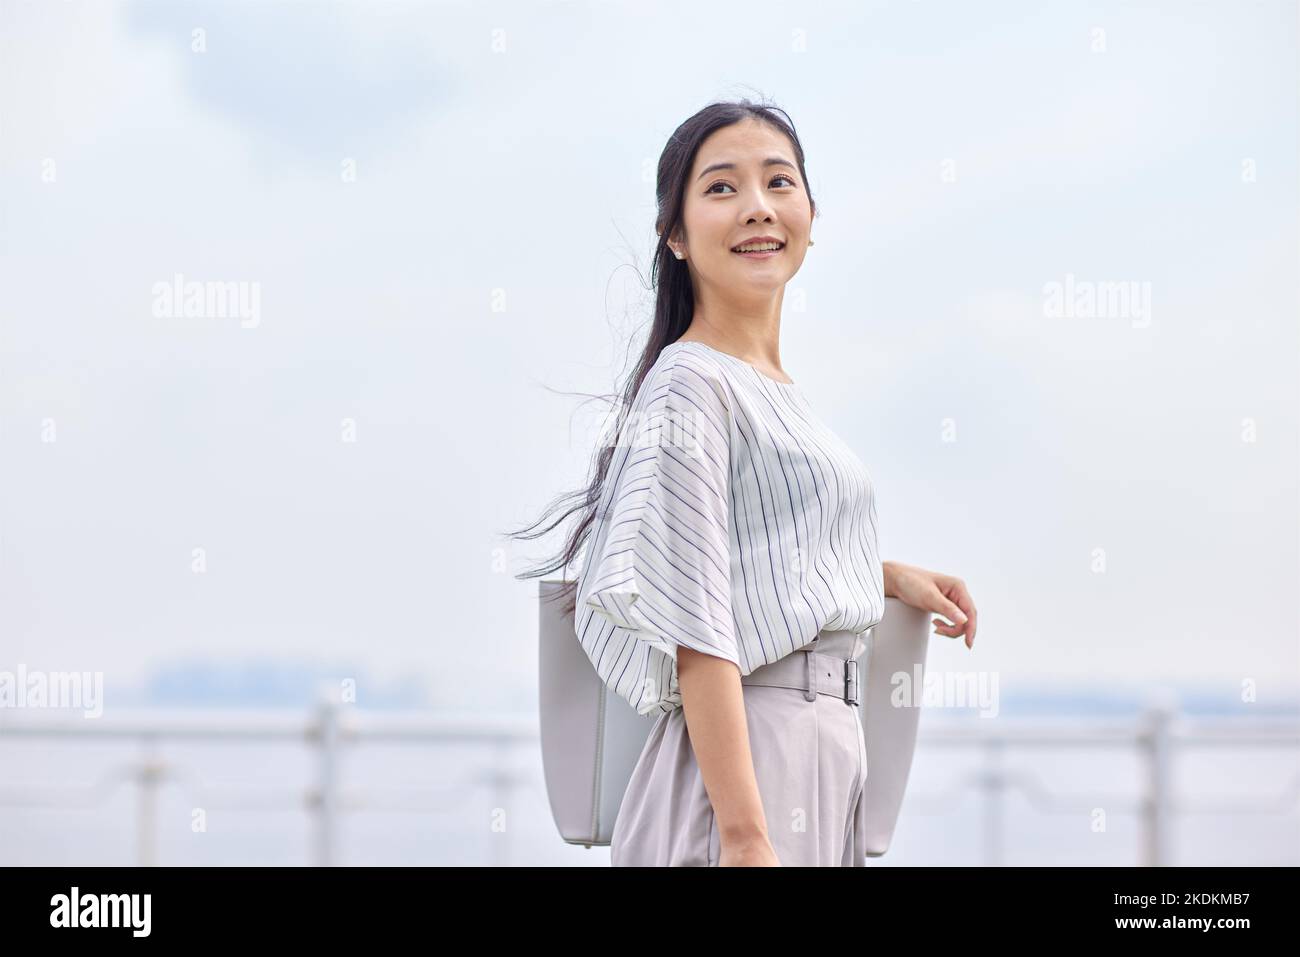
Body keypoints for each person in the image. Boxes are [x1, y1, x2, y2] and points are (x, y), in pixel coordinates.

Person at [512, 98, 977, 866]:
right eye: (722, 188)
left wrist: (885, 575)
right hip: (748, 768)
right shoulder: (691, 383)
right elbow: (699, 624)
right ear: (676, 234)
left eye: (779, 182)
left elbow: (751, 554)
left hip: (814, 759)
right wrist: (745, 836)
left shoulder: (766, 388)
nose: (758, 207)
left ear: (811, 215)